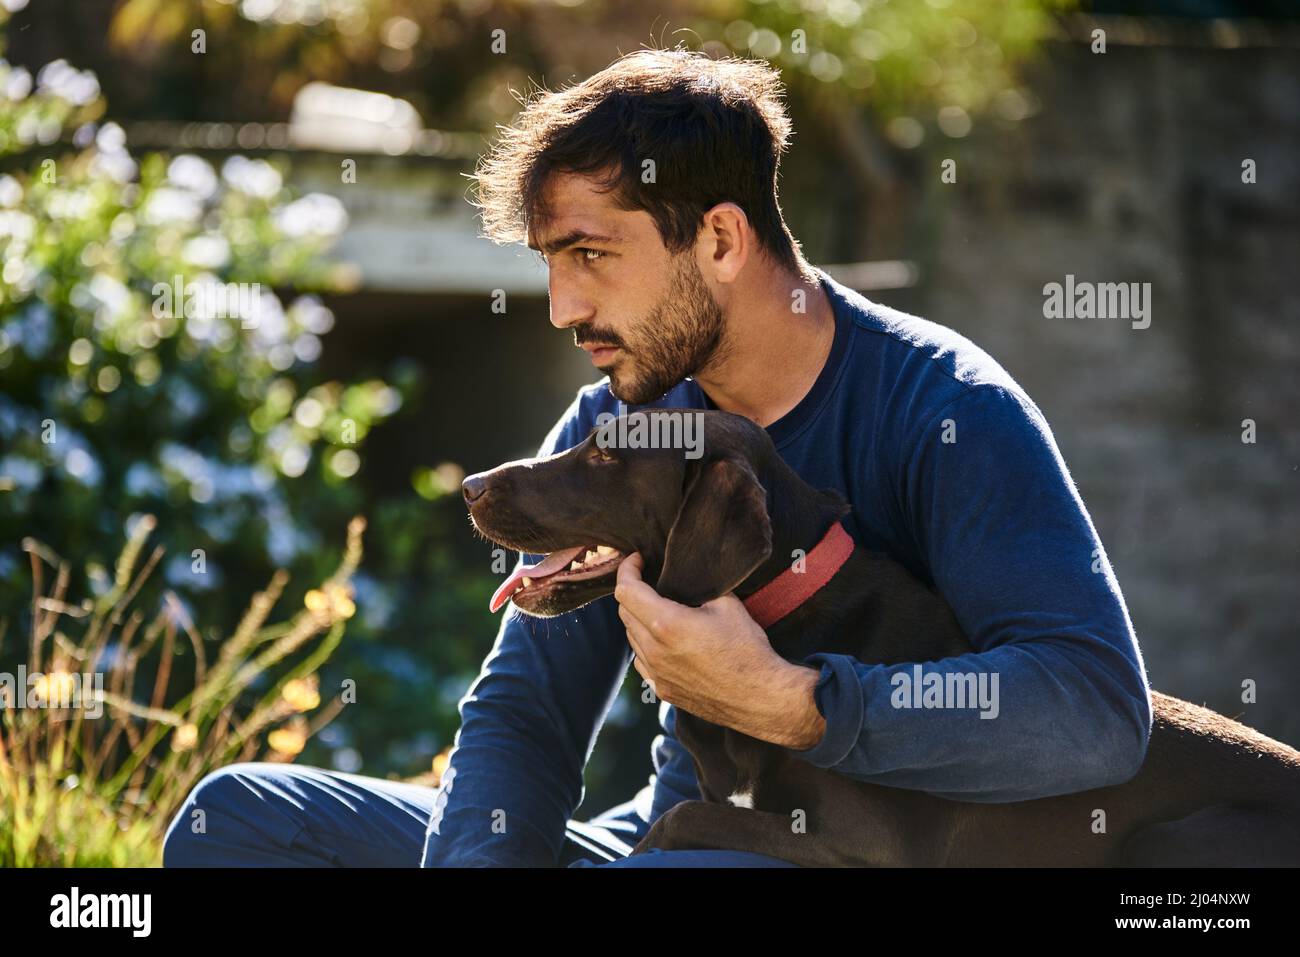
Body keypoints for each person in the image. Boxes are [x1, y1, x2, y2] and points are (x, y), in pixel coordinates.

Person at [163, 48, 1152, 868]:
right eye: (548, 265)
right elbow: (525, 716)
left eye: (590, 255)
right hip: (666, 835)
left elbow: (1093, 706)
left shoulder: (942, 411)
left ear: (719, 238)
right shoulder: (623, 421)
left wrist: (797, 704)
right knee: (239, 820)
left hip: (830, 853)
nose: (561, 309)